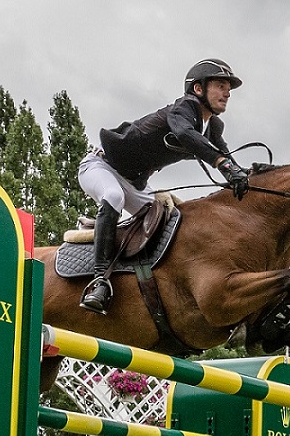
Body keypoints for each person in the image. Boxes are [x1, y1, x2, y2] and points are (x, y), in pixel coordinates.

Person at [77, 59, 251, 314]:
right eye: (221, 85)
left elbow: (226, 156)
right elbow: (185, 135)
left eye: (229, 89)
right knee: (113, 195)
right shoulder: (184, 109)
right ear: (198, 89)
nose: (227, 93)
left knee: (168, 220)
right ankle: (99, 280)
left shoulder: (211, 126)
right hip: (100, 167)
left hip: (134, 185)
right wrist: (224, 165)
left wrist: (245, 176)